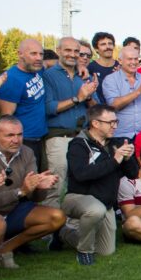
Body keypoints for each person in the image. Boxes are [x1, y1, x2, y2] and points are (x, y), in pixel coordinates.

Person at [62, 104, 137, 265]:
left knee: (106, 251)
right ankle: (84, 251)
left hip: (106, 203)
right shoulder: (78, 145)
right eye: (110, 122)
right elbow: (81, 174)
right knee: (95, 210)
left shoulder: (115, 143)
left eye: (116, 122)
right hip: (79, 197)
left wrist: (129, 158)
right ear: (95, 123)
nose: (115, 126)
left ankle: (65, 233)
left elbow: (133, 174)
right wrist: (114, 160)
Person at [0, 116, 65, 270]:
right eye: (10, 135)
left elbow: (34, 197)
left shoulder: (26, 152)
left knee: (57, 217)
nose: (16, 140)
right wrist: (21, 191)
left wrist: (40, 187)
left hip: (15, 209)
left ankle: (4, 250)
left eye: (20, 135)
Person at [42, 37, 99, 207]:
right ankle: (48, 231)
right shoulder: (49, 76)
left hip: (82, 138)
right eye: (68, 50)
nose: (72, 55)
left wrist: (87, 97)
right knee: (56, 185)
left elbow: (96, 109)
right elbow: (49, 108)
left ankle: (70, 228)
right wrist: (77, 98)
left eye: (76, 51)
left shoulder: (84, 76)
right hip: (59, 137)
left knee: (79, 185)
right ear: (58, 51)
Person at [0, 39, 49, 167]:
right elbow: (6, 117)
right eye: (33, 54)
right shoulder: (11, 79)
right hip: (23, 141)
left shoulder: (36, 69)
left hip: (40, 137)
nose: (38, 58)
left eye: (41, 54)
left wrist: (80, 66)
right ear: (20, 54)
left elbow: (52, 63)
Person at [103, 46, 141, 139]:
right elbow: (113, 105)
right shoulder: (110, 79)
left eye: (136, 59)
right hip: (120, 135)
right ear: (120, 61)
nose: (133, 62)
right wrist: (138, 92)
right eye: (130, 59)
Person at [88, 32, 120, 104]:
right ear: (96, 49)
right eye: (103, 44)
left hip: (118, 111)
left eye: (110, 44)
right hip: (97, 111)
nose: (107, 47)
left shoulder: (121, 67)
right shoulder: (90, 68)